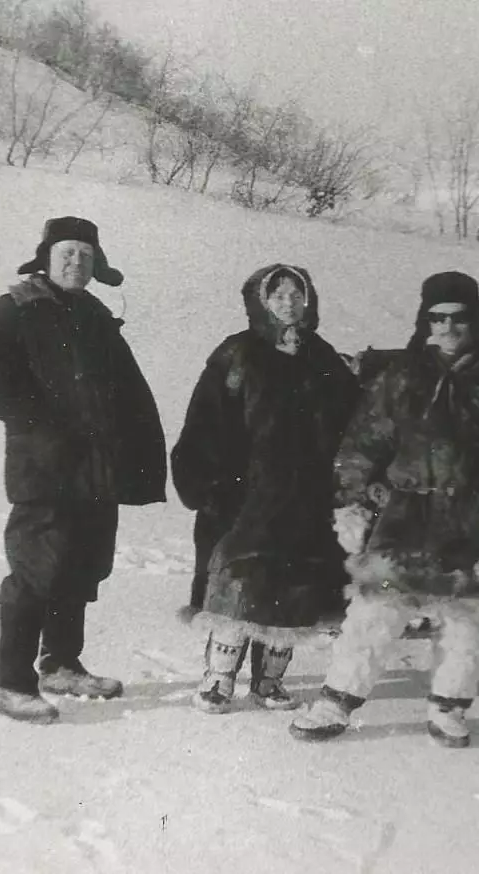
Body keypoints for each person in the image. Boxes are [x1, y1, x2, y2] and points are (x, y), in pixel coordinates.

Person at [289, 271, 479, 748]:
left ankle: (449, 707)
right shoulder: (402, 378)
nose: (447, 328)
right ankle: (338, 699)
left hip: (473, 518)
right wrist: (350, 501)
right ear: (424, 320)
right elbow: (363, 444)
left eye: (459, 318)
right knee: (376, 608)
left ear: (475, 321)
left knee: (466, 618)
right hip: (407, 516)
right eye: (437, 318)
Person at [0, 216, 167, 725]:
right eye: (68, 253)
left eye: (87, 256)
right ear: (47, 258)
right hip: (45, 469)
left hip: (96, 470)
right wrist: (38, 420)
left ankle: (62, 664)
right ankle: (13, 685)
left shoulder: (92, 313)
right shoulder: (16, 308)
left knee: (82, 567)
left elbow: (128, 391)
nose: (77, 262)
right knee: (36, 572)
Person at [170, 264, 360, 714]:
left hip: (307, 496)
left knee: (293, 587)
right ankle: (218, 680)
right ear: (260, 301)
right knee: (238, 584)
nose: (289, 304)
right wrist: (206, 483)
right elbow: (204, 419)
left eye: (297, 295)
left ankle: (269, 682)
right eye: (279, 296)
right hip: (245, 495)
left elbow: (353, 417)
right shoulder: (237, 353)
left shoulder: (322, 357)